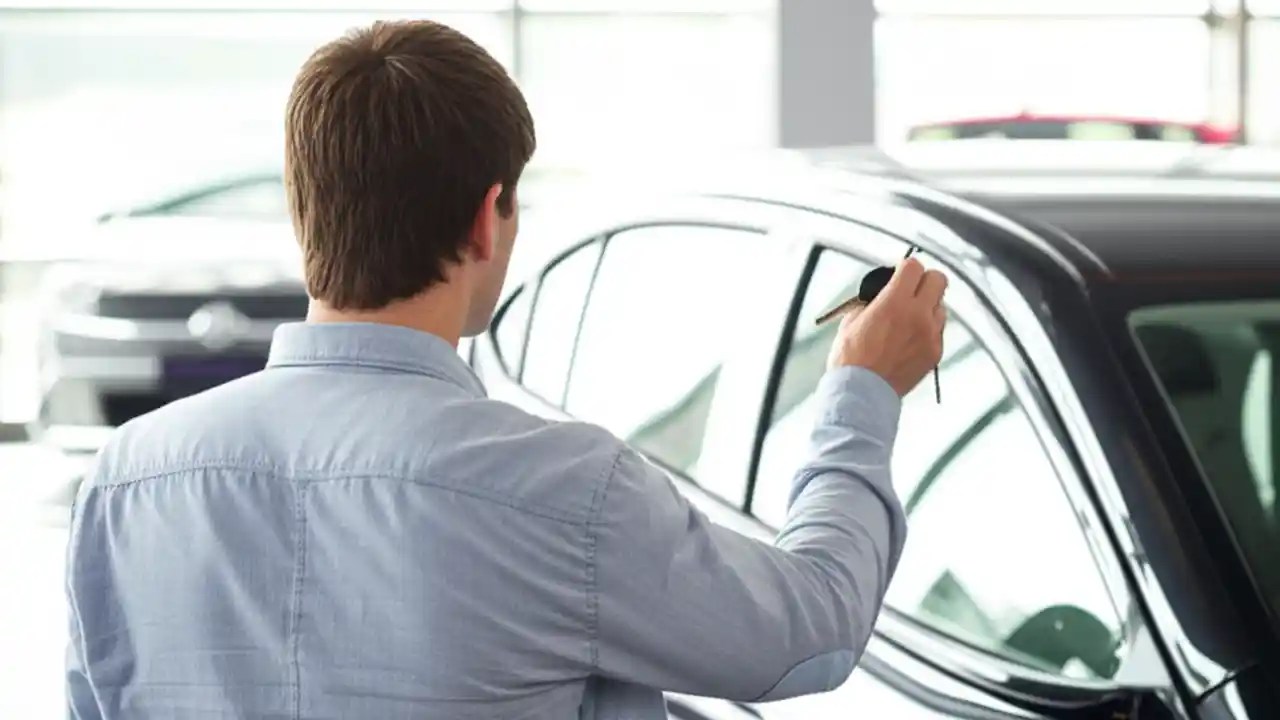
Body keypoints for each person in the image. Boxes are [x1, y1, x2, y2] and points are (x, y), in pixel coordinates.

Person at [65, 19, 947, 720]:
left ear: (305, 213)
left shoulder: (127, 479)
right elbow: (810, 634)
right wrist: (861, 393)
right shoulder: (565, 489)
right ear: (490, 218)